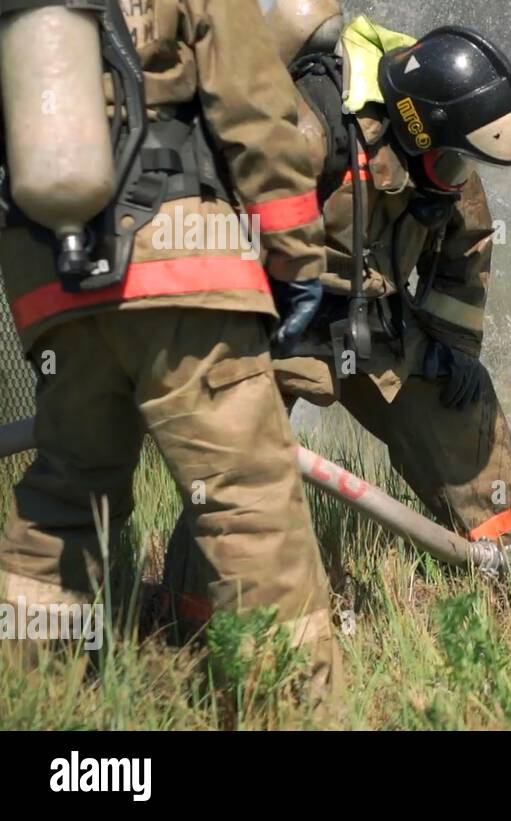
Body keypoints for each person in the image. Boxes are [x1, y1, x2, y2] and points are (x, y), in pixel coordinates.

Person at [165, 8, 511, 607]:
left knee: (459, 408)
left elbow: (467, 244)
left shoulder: (442, 162)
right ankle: (198, 607)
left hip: (373, 325)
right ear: (419, 129)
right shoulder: (314, 127)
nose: (457, 177)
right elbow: (223, 205)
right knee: (236, 463)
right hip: (275, 320)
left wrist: (453, 348)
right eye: (452, 161)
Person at [0, 0, 339, 696]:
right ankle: (292, 704)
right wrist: (298, 254)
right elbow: (251, 103)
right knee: (245, 496)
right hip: (181, 260)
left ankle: (29, 694)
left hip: (52, 284)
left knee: (65, 495)